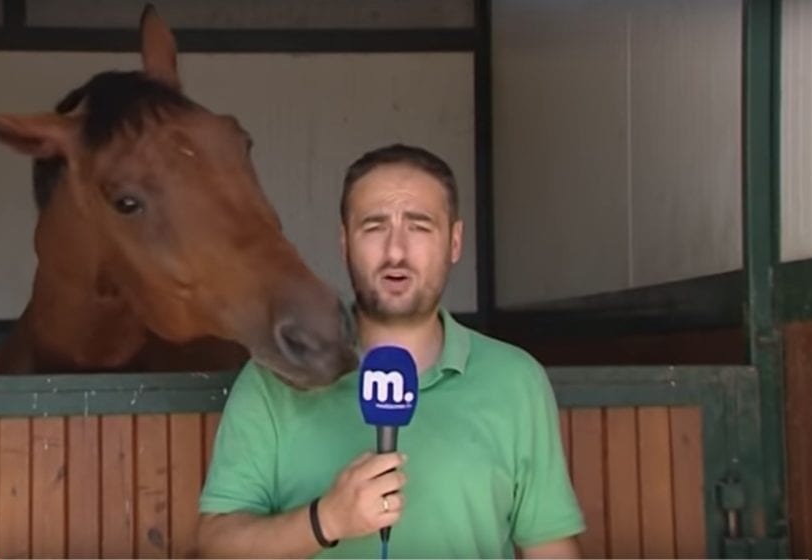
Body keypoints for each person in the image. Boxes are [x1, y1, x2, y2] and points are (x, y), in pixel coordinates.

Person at [196, 144, 584, 558]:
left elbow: (549, 547)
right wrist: (325, 520)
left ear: (455, 242)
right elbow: (216, 547)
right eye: (374, 226)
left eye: (419, 226)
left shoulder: (515, 379)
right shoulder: (274, 379)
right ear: (344, 243)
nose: (396, 251)